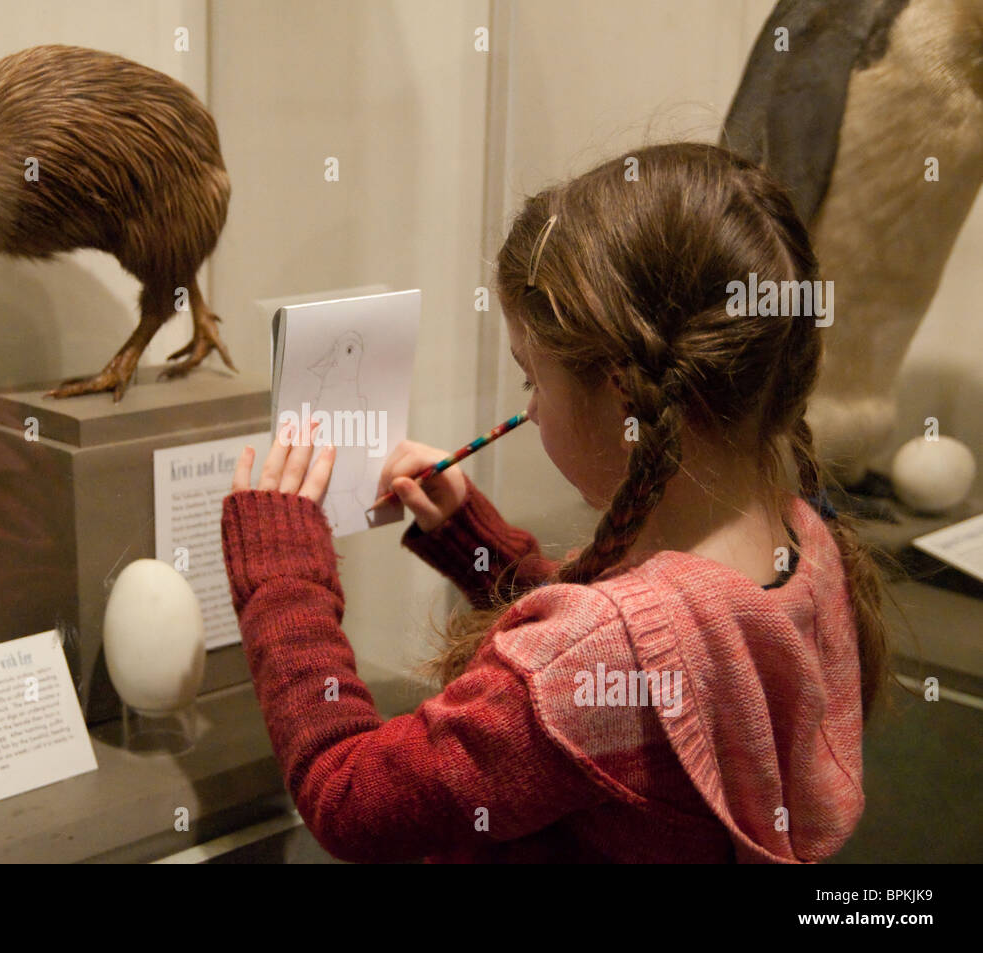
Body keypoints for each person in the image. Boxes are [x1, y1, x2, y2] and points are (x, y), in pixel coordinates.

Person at [220, 142, 889, 863]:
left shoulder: (594, 662)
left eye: (532, 380)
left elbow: (350, 797)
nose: (531, 411)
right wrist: (480, 546)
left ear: (622, 394)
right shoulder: (806, 545)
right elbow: (665, 650)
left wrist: (283, 579)